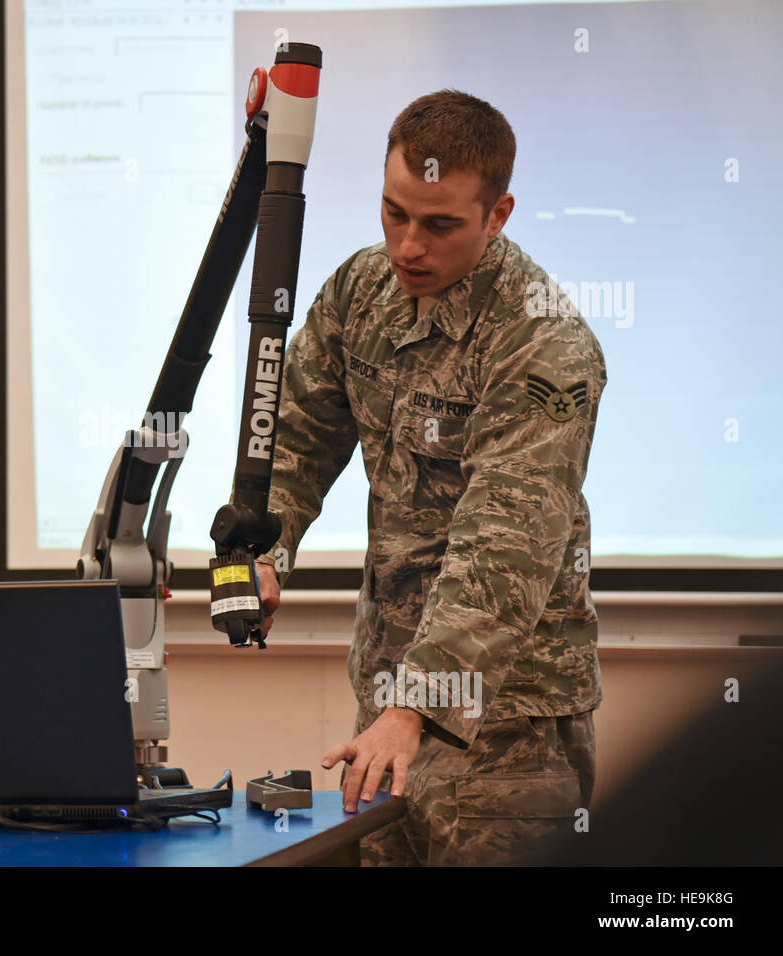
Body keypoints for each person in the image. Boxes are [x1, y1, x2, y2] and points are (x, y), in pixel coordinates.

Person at [254, 89, 607, 866]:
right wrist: (262, 551)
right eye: (393, 214)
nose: (408, 246)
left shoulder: (544, 342)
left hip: (510, 727)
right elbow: (297, 440)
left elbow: (503, 547)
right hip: (388, 708)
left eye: (440, 224)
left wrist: (416, 704)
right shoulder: (362, 290)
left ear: (498, 213)